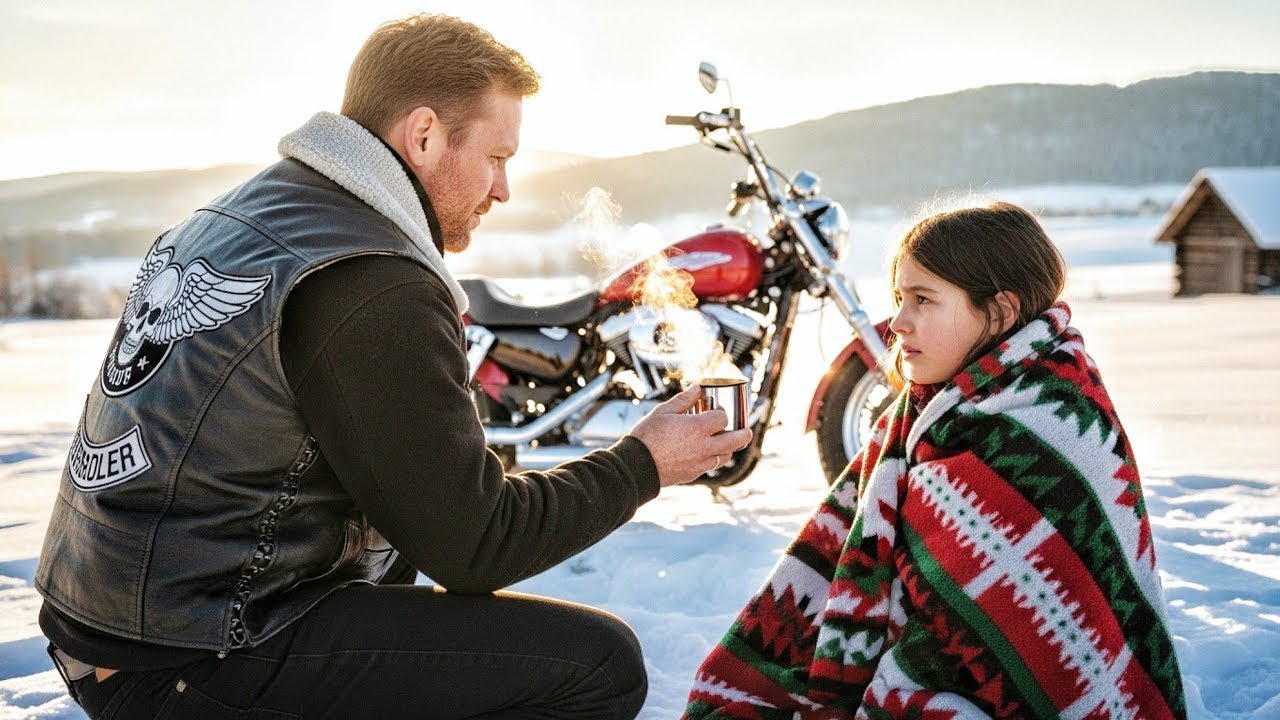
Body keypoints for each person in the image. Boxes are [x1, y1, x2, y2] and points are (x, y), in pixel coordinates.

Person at [36, 13, 751, 719]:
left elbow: (428, 505)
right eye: (497, 158)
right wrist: (644, 464)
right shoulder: (372, 280)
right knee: (601, 668)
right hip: (185, 657)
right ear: (424, 135)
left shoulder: (248, 215)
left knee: (398, 566)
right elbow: (476, 545)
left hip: (121, 622)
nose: (504, 189)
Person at [684, 202, 1187, 719]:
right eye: (899, 298)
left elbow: (983, 643)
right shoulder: (937, 407)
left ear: (1002, 312)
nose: (897, 323)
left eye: (923, 300)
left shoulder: (1045, 427)